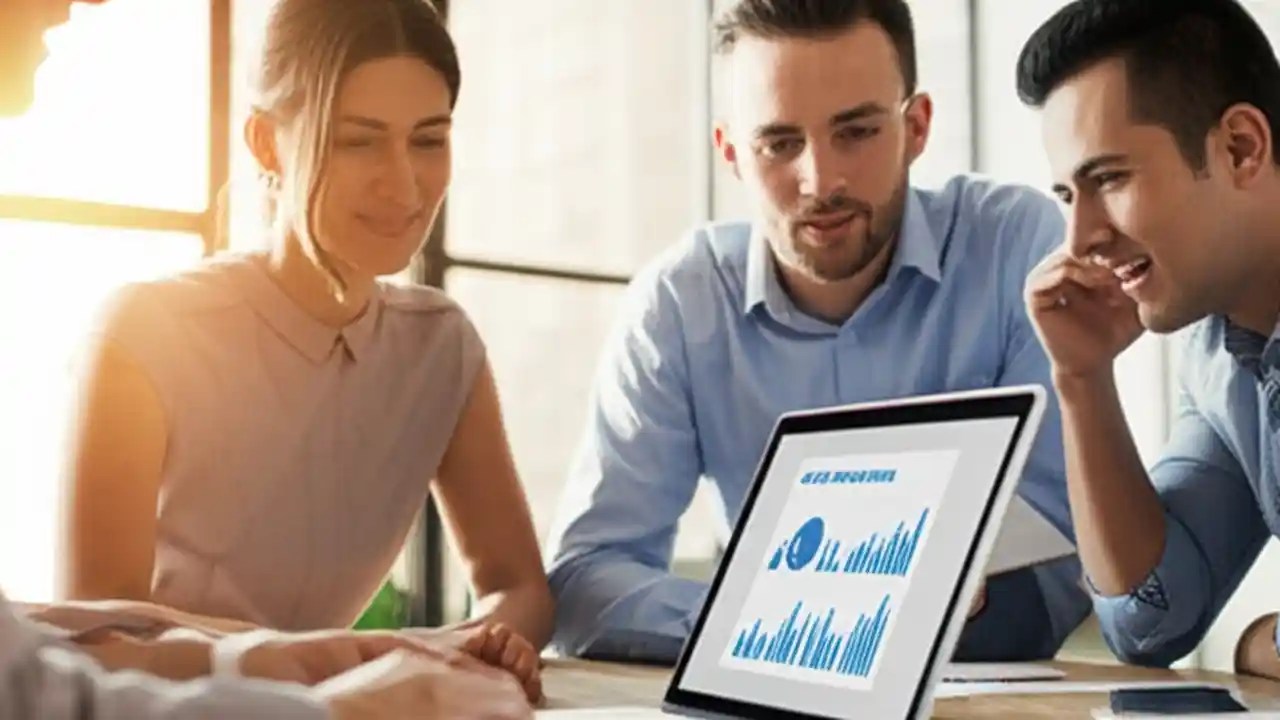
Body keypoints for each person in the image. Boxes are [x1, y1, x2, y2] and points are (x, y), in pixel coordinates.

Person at [0, 0, 532, 718]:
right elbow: (92, 638)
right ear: (265, 144)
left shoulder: (441, 346)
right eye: (358, 141)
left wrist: (476, 649)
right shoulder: (143, 330)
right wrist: (365, 660)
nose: (404, 184)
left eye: (428, 140)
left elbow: (520, 586)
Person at [546, 0, 1090, 665]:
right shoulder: (680, 306)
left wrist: (823, 623)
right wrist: (782, 625)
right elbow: (584, 582)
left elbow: (1067, 552)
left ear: (916, 127)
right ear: (731, 153)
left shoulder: (1014, 248)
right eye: (779, 143)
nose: (821, 180)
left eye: (856, 132)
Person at [1016, 0, 1280, 679]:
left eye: (1109, 179)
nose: (1080, 240)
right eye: (1068, 195)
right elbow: (1150, 621)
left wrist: (1257, 645)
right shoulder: (1219, 359)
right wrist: (1081, 379)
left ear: (1240, 148)